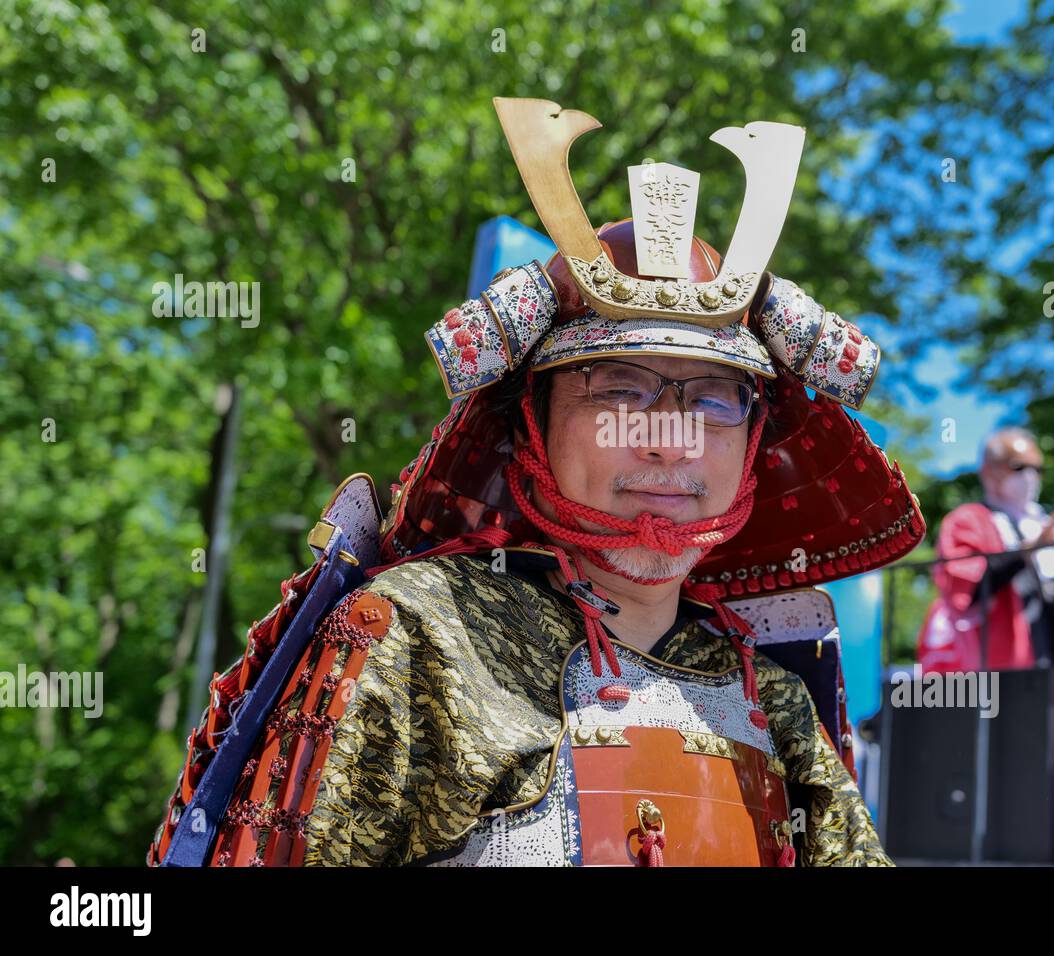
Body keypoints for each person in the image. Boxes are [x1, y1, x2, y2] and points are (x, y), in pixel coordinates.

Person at [146, 96, 925, 867]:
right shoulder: (414, 637)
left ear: (755, 443)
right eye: (619, 388)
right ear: (530, 426)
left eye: (713, 398)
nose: (667, 440)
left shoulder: (779, 704)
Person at [917, 428, 1054, 695]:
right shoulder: (969, 521)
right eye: (1019, 467)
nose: (1031, 477)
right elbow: (964, 592)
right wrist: (1030, 551)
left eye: (1038, 469)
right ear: (988, 470)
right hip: (1005, 676)